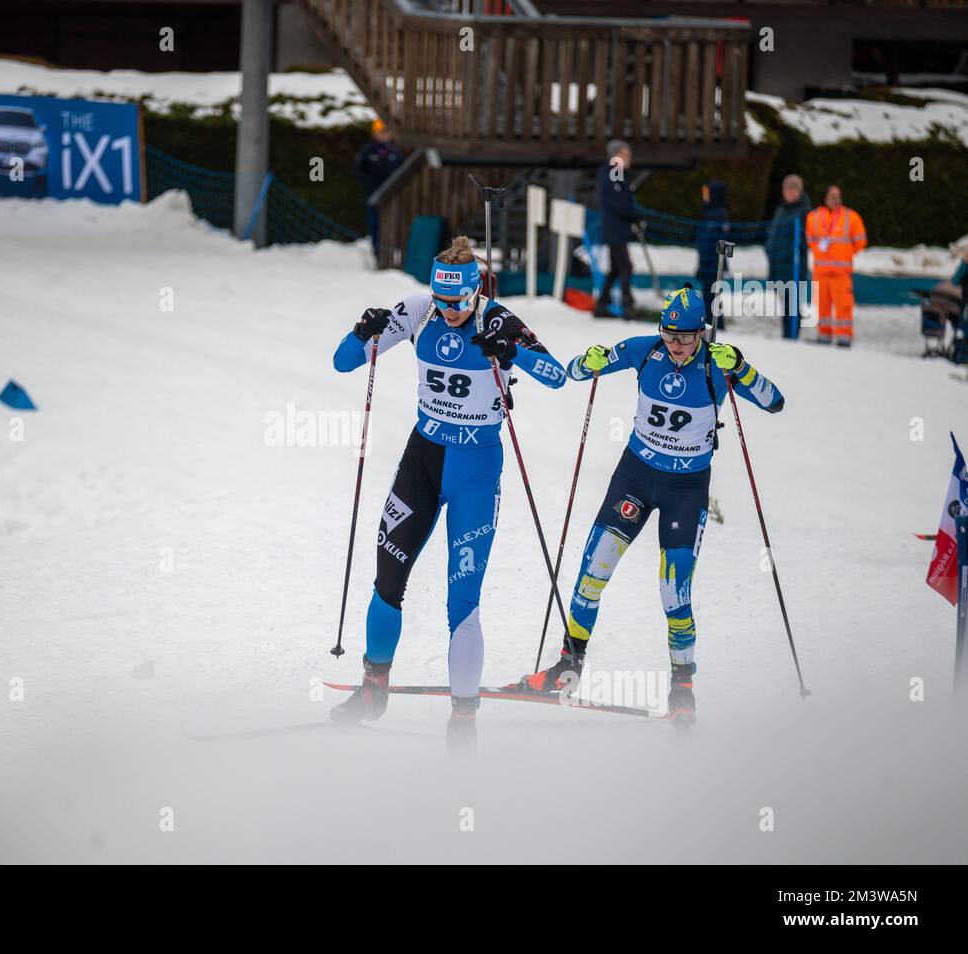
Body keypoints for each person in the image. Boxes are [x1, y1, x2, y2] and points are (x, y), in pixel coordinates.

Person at [330, 236, 569, 751]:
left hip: (476, 470)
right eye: (443, 302)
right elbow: (343, 362)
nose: (451, 312)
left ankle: (464, 718)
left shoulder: (499, 319)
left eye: (460, 303)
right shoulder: (417, 311)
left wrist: (514, 352)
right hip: (424, 459)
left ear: (476, 291)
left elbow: (559, 376)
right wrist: (362, 331)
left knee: (462, 600)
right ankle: (373, 688)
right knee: (387, 575)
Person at [508, 286, 785, 726]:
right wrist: (592, 359)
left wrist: (744, 370)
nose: (676, 345)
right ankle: (568, 665)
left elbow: (775, 402)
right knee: (593, 567)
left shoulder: (717, 364)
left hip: (686, 488)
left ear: (702, 333)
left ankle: (682, 687)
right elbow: (576, 372)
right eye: (670, 335)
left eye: (685, 337)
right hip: (635, 476)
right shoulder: (645, 351)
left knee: (674, 591)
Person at [806, 184, 867, 347]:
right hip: (821, 272)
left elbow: (861, 242)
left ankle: (844, 337)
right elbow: (810, 240)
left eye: (838, 195)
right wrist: (819, 249)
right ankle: (824, 334)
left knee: (844, 307)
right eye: (832, 196)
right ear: (825, 197)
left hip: (841, 272)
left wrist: (845, 253)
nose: (836, 199)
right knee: (822, 307)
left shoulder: (851, 217)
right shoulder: (813, 217)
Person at [594, 139, 643, 318]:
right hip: (616, 228)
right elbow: (618, 201)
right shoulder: (615, 171)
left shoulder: (617, 173)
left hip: (617, 227)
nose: (628, 158)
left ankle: (602, 304)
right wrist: (634, 215)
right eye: (624, 155)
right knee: (625, 266)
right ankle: (627, 305)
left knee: (616, 267)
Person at [765, 174, 811, 339]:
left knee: (793, 303)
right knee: (784, 303)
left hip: (793, 267)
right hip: (777, 265)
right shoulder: (781, 209)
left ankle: (791, 335)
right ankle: (786, 335)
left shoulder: (804, 212)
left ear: (799, 191)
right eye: (787, 188)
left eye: (794, 188)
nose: (790, 192)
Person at [354, 119, 403, 259]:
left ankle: (390, 249)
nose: (384, 135)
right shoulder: (367, 151)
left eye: (387, 132)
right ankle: (376, 250)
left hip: (391, 196)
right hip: (373, 194)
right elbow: (358, 171)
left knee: (392, 222)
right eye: (381, 132)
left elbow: (401, 168)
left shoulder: (395, 151)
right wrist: (369, 182)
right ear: (375, 133)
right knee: (374, 223)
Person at [695, 180, 731, 329]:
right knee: (708, 295)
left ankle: (717, 325)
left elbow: (719, 242)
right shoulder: (706, 213)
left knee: (713, 295)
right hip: (706, 261)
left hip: (714, 263)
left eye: (707, 193)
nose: (705, 197)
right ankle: (711, 323)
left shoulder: (719, 215)